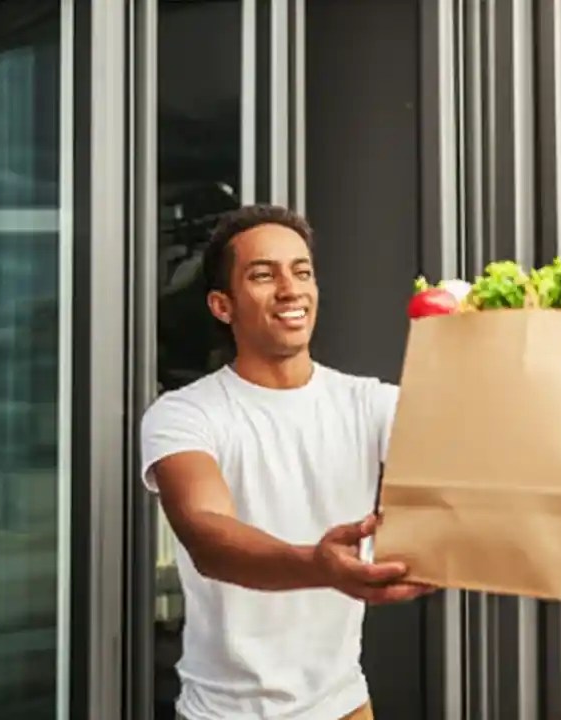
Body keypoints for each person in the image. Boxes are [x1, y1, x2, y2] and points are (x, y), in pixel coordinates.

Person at [139, 205, 430, 720]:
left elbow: (475, 461)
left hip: (345, 706)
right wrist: (317, 565)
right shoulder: (185, 413)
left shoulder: (369, 403)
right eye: (262, 275)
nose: (290, 289)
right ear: (222, 305)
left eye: (302, 271)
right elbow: (208, 535)